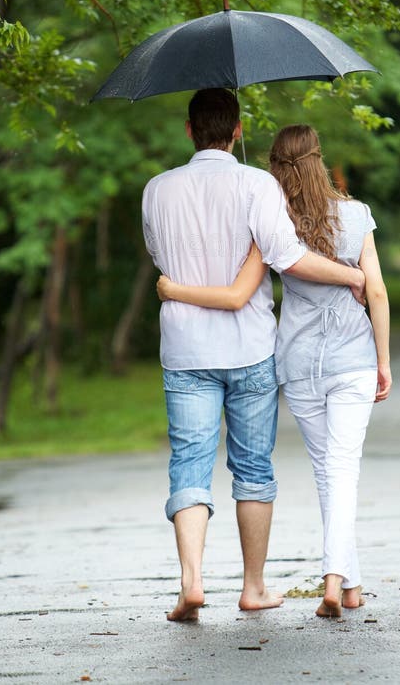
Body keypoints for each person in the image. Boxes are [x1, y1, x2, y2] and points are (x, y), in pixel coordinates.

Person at [142, 92, 367, 622]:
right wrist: (352, 275)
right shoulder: (256, 184)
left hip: (185, 349)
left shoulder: (156, 190)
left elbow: (160, 257)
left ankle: (192, 582)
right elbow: (286, 254)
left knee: (189, 462)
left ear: (189, 130)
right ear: (238, 131)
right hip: (248, 348)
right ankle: (254, 586)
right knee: (252, 467)